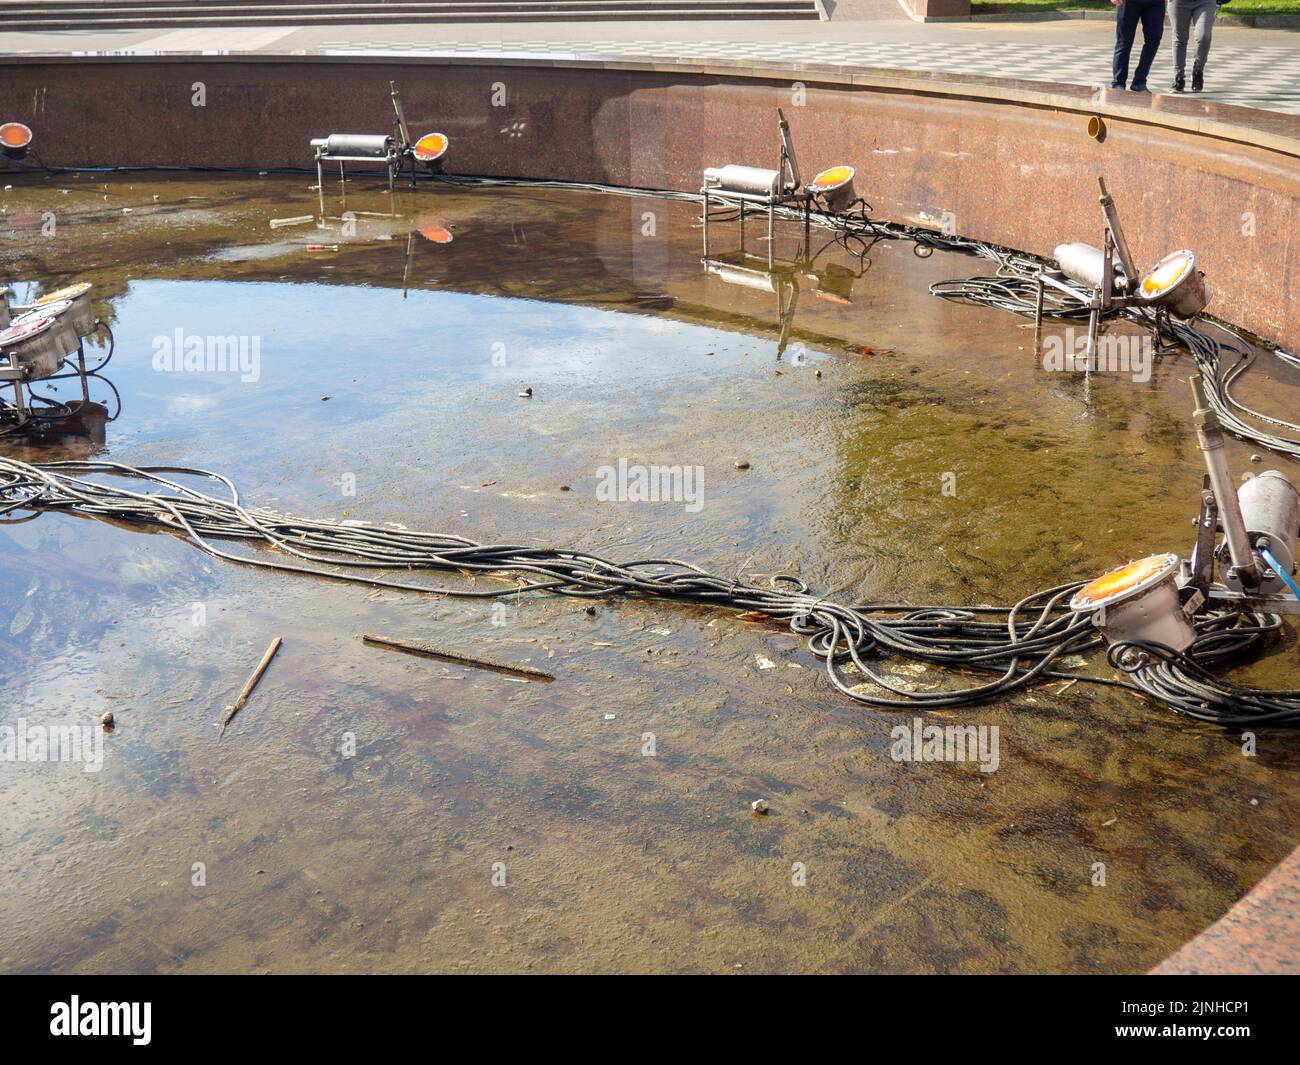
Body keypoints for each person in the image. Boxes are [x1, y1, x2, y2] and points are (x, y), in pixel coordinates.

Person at [1111, 0, 1167, 93]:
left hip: (1155, 3)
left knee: (1154, 38)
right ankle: (1118, 83)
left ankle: (1139, 81)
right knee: (1124, 41)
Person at [1169, 0, 1217, 92]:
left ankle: (1198, 72)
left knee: (1204, 36)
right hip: (1179, 2)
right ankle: (1179, 77)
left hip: (1205, 2)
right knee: (1179, 38)